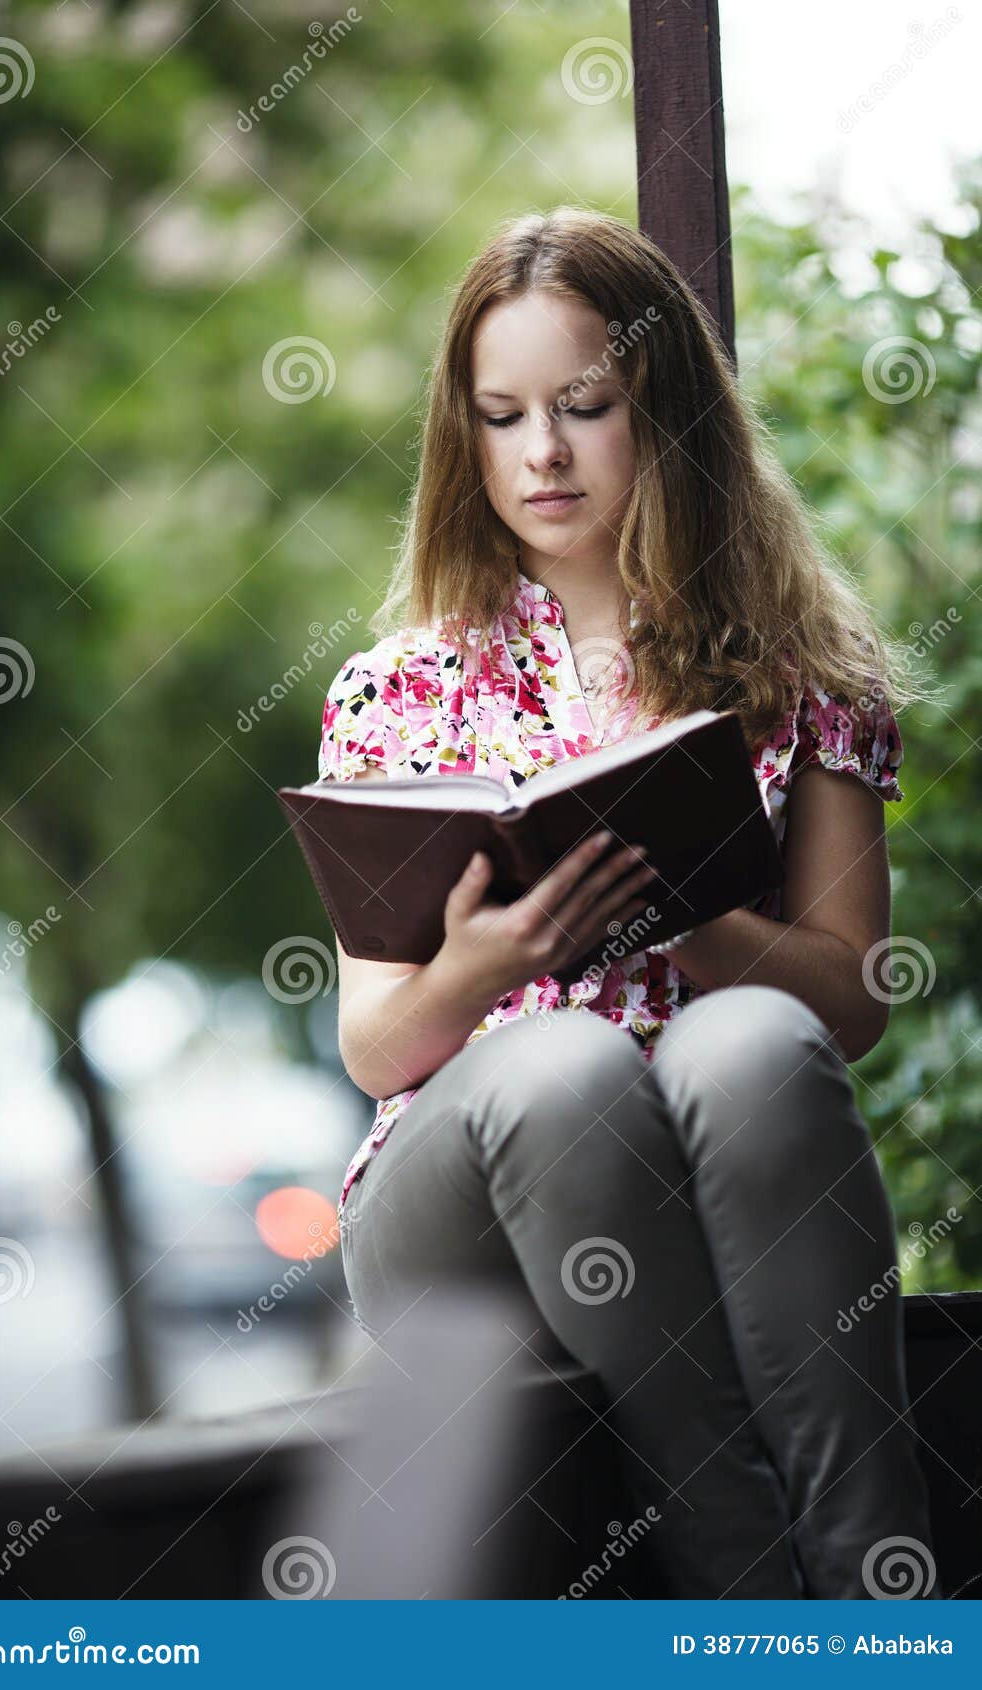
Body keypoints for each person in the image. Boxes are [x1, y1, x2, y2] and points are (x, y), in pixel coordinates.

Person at [314, 208, 943, 1599]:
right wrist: (485, 963)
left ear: (661, 414)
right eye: (501, 414)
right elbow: (374, 1050)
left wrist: (683, 915)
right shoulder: (399, 688)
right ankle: (745, 1583)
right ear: (461, 436)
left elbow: (849, 1004)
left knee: (751, 1040)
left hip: (709, 1147)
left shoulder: (801, 672)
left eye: (583, 407)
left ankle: (877, 1582)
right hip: (461, 1186)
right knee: (562, 1061)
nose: (540, 451)